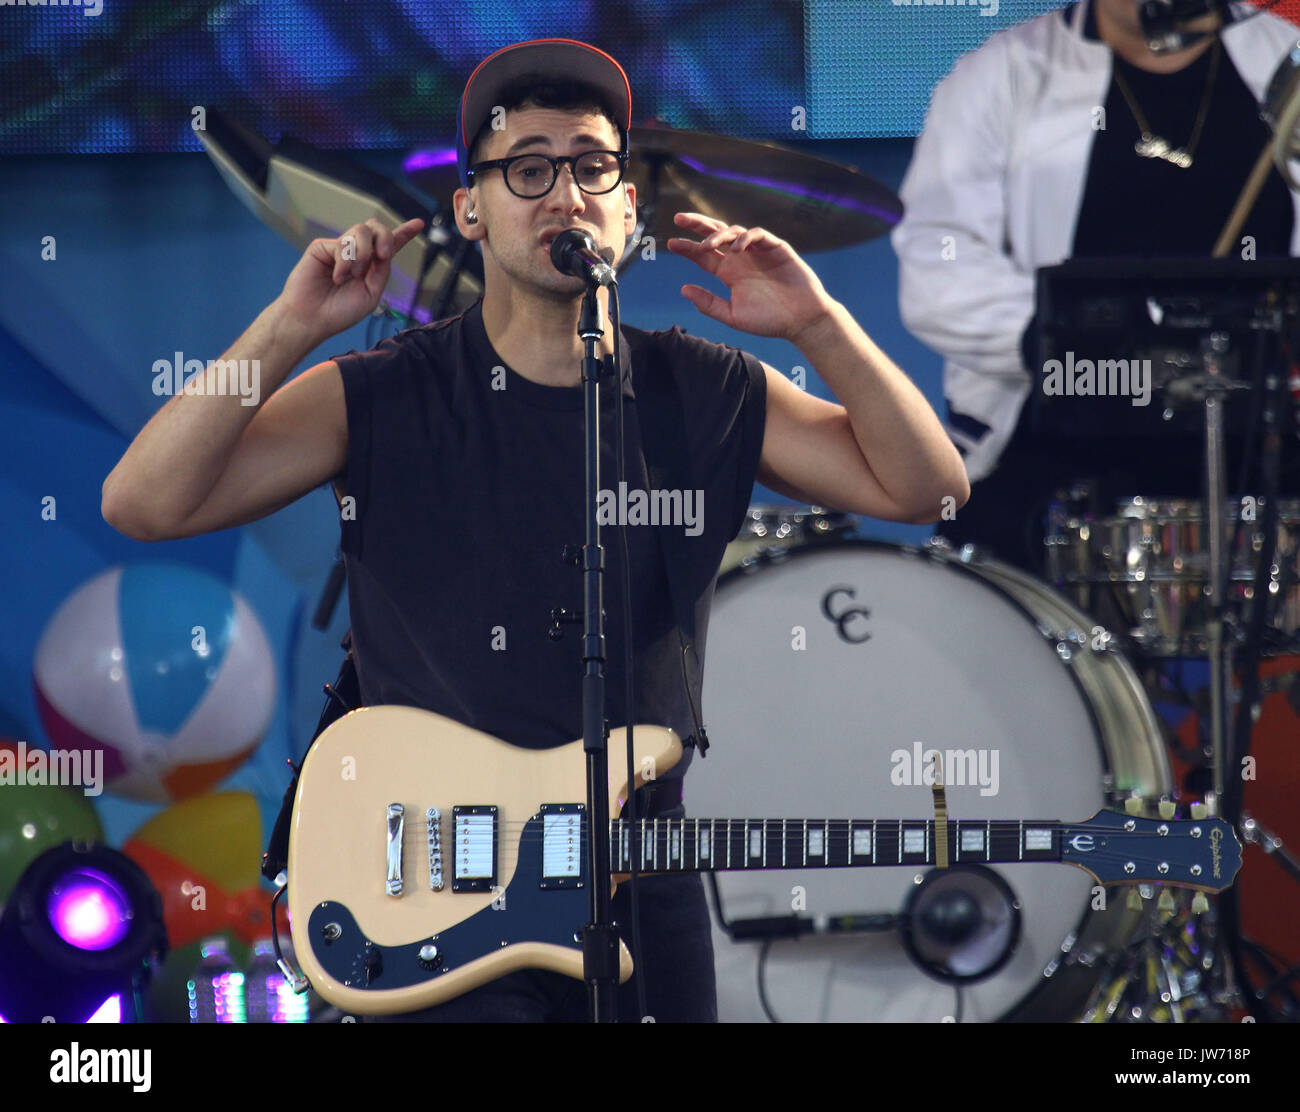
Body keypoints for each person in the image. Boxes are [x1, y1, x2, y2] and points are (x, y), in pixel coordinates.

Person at [102, 39, 967, 1021]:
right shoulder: (382, 392)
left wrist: (818, 324)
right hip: (433, 880)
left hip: (643, 871)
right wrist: (290, 325)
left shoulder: (704, 387)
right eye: (527, 168)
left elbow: (926, 490)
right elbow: (144, 500)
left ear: (628, 206)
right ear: (468, 208)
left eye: (593, 165)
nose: (564, 191)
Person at [893, 0, 1300, 575]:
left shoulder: (1281, 62)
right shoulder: (999, 74)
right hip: (1048, 427)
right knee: (991, 614)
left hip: (1257, 427)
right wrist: (1065, 340)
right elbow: (939, 266)